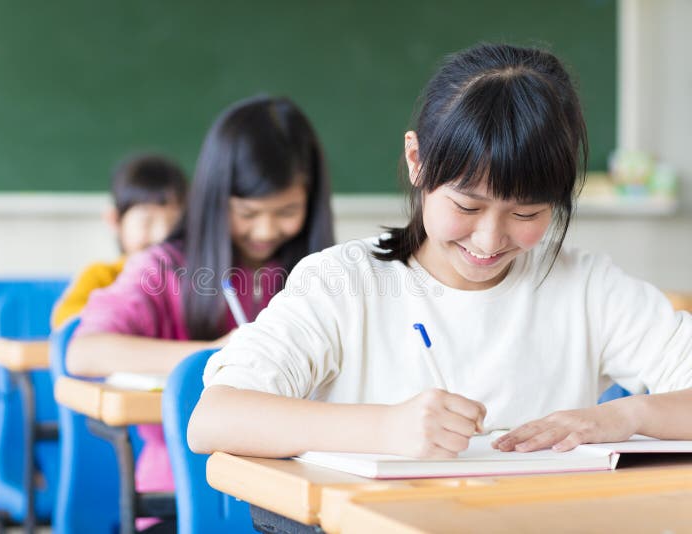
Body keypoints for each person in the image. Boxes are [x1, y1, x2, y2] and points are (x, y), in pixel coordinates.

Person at [188, 43, 692, 462]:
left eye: (526, 213)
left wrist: (626, 414)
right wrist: (385, 428)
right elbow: (214, 418)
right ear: (417, 160)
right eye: (467, 206)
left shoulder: (588, 289)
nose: (489, 241)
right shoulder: (343, 283)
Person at [67, 95, 335, 531]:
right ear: (214, 199)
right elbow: (84, 352)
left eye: (287, 211)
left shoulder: (322, 275)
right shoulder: (163, 269)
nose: (266, 229)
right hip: (181, 497)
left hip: (298, 497)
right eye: (248, 213)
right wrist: (217, 353)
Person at [51, 153, 186, 328]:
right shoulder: (101, 277)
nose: (161, 235)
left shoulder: (190, 279)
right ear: (115, 220)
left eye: (174, 222)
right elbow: (67, 324)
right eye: (147, 221)